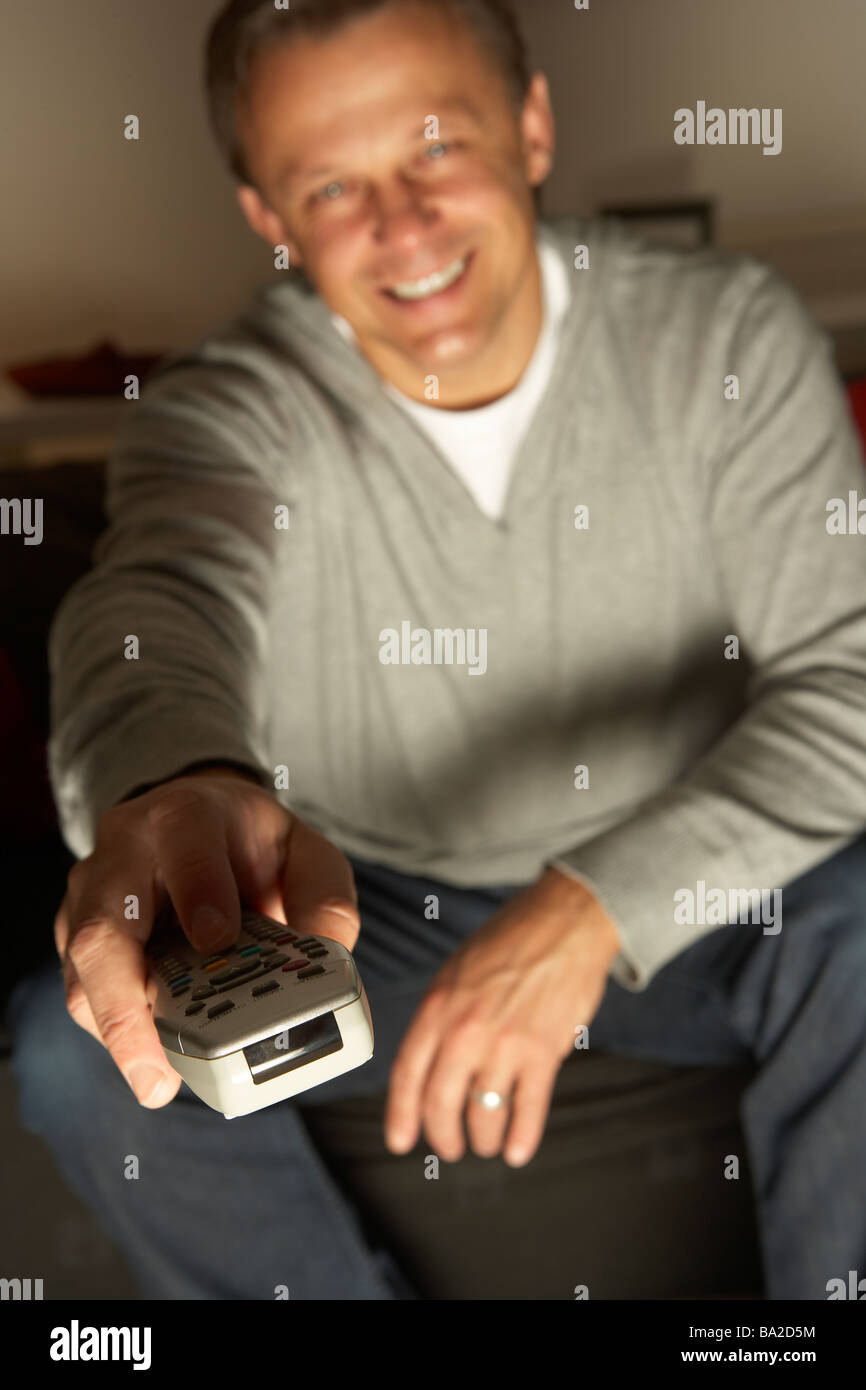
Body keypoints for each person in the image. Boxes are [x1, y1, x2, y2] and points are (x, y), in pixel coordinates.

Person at [8, 0, 866, 1301]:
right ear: (268, 216)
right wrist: (170, 780)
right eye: (331, 185)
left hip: (696, 904)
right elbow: (159, 606)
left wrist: (590, 905)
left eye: (434, 149)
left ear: (528, 127)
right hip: (374, 916)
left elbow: (848, 685)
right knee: (71, 1055)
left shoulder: (725, 337)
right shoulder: (222, 410)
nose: (400, 226)